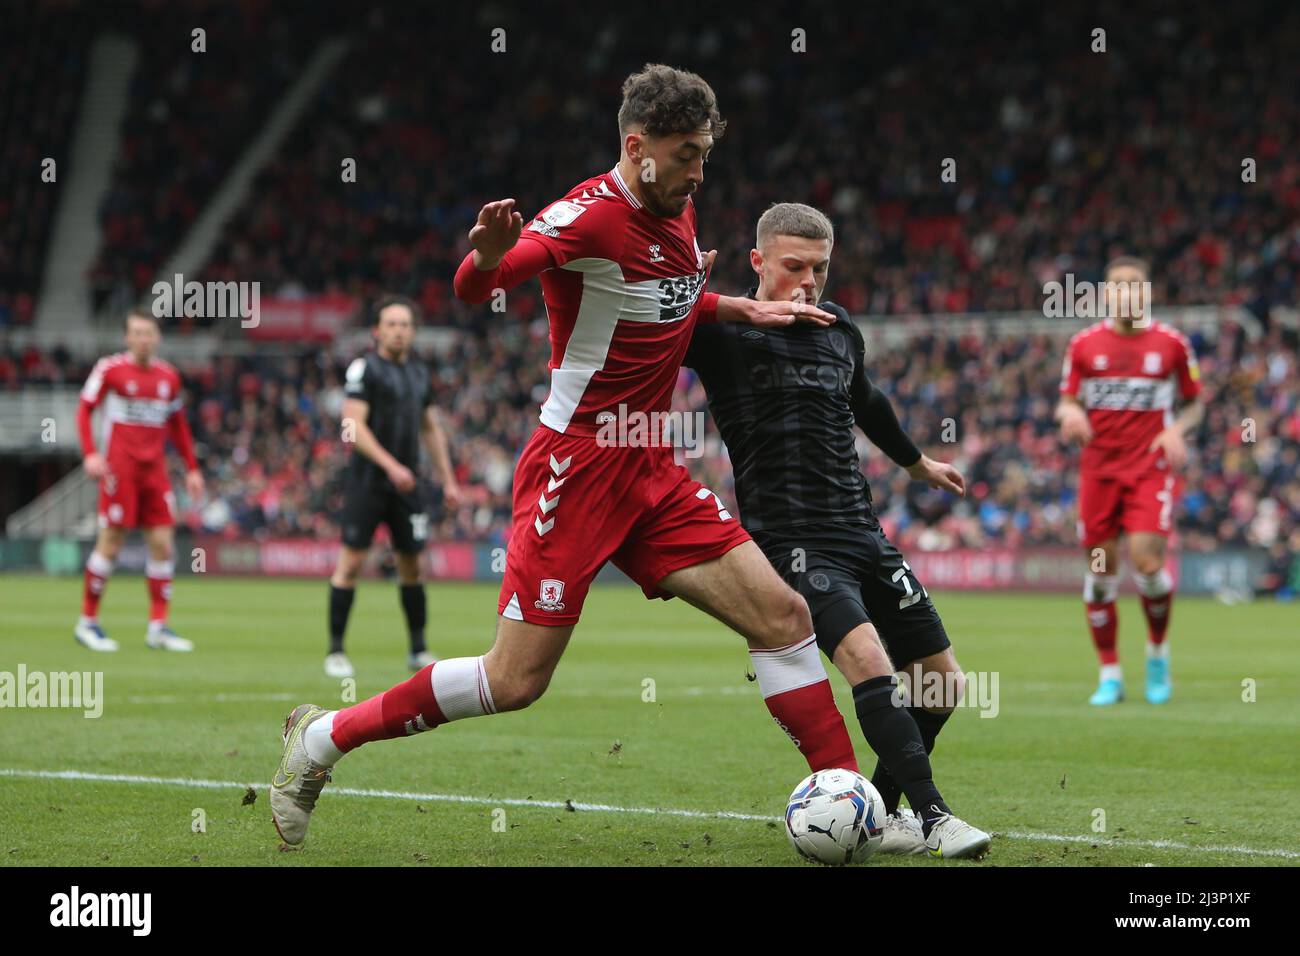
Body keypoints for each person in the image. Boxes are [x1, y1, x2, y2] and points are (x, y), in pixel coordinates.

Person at [269, 64, 867, 849]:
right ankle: (321, 739)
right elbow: (475, 282)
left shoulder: (676, 205)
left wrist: (732, 304)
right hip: (575, 468)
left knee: (784, 615)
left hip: (648, 466)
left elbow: (658, 297)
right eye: (687, 154)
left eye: (704, 154)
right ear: (636, 146)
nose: (699, 170)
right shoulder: (585, 217)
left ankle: (854, 803)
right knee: (514, 682)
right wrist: (485, 257)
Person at [684, 203, 990, 858]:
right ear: (758, 263)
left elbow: (868, 402)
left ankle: (884, 816)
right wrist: (687, 293)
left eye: (819, 268)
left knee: (941, 682)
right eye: (793, 266)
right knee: (867, 660)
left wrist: (918, 464)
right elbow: (640, 337)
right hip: (790, 542)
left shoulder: (838, 329)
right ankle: (937, 817)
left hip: (861, 530)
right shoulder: (721, 332)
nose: (807, 281)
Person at [1055, 257, 1204, 705]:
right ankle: (1110, 674)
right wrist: (1073, 412)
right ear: (1106, 295)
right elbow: (1065, 403)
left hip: (1148, 468)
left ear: (1147, 293)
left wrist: (1177, 429)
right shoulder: (1084, 345)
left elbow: (1195, 404)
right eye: (1117, 286)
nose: (1126, 293)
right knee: (1101, 573)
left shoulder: (1172, 344)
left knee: (1148, 564)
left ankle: (1157, 655)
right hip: (1098, 470)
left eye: (1134, 285)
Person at [326, 295, 461, 677]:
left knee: (412, 565)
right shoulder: (364, 369)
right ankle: (336, 651)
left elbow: (431, 428)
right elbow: (351, 426)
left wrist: (449, 480)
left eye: (405, 324)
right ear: (377, 331)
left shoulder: (419, 373)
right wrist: (391, 466)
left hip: (407, 487)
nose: (399, 330)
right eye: (392, 324)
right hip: (368, 483)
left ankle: (418, 649)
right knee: (350, 563)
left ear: (414, 332)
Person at [74, 309, 204, 652]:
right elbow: (84, 408)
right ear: (127, 337)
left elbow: (178, 425)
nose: (143, 339)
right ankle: (87, 622)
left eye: (149, 333)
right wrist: (90, 453)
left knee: (162, 543)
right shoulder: (110, 370)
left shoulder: (168, 377)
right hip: (120, 470)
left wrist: (192, 468)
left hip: (155, 472)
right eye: (137, 333)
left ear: (157, 337)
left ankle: (158, 627)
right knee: (112, 542)